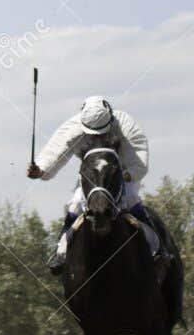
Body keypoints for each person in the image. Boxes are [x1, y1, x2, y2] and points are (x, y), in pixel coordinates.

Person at [28, 95, 152, 272]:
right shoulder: (73, 128)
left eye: (102, 132)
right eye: (92, 133)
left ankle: (156, 249)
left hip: (123, 171)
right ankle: (61, 251)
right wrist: (40, 170)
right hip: (93, 175)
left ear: (110, 117)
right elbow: (55, 152)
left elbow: (139, 162)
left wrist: (124, 175)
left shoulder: (125, 125)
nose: (97, 136)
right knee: (76, 203)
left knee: (130, 198)